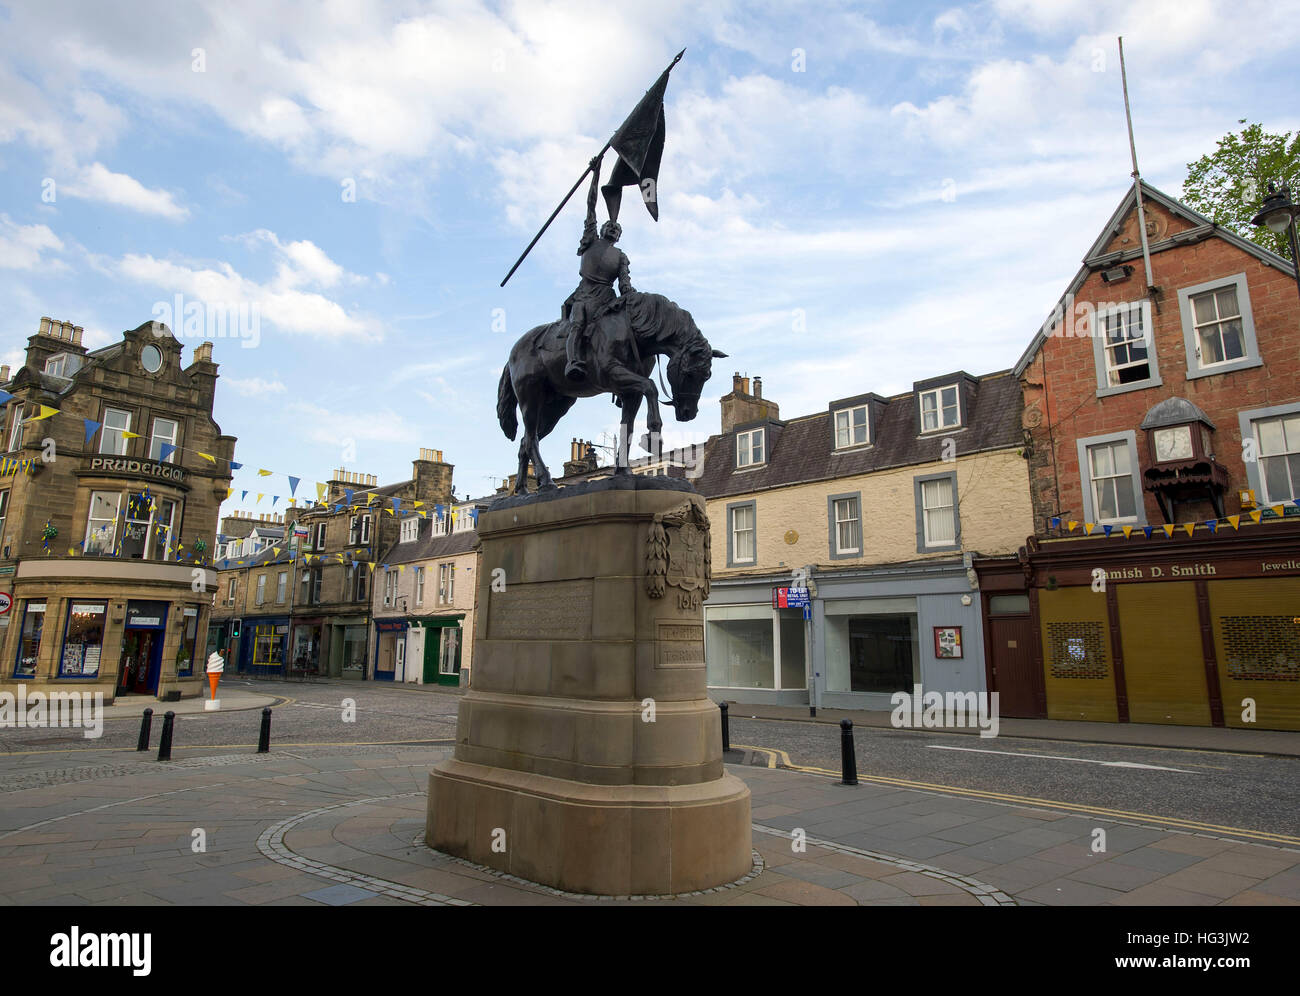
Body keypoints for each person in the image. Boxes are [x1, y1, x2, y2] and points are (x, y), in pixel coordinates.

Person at [564, 154, 634, 381]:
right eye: (610, 226)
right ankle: (573, 362)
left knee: (625, 331)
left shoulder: (621, 257)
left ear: (619, 237)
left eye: (617, 229)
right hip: (584, 295)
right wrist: (596, 174)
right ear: (602, 229)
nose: (613, 229)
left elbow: (625, 285)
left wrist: (634, 301)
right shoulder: (591, 239)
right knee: (577, 324)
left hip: (606, 299)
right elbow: (591, 205)